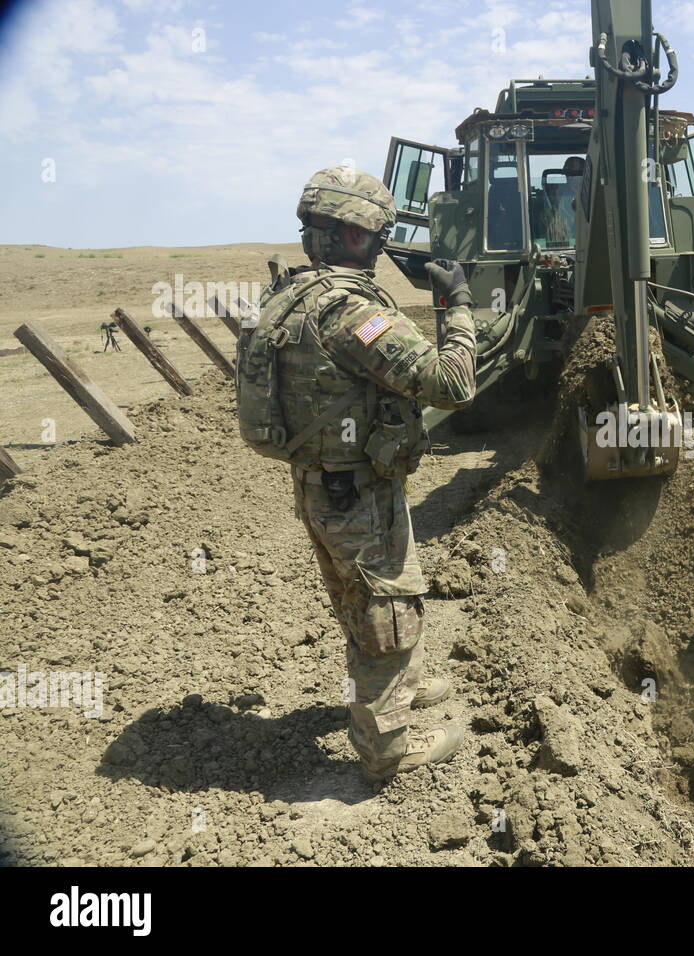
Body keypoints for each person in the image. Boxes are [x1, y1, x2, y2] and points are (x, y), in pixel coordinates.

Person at [236, 165, 478, 782]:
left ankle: (406, 689)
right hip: (359, 495)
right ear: (351, 236)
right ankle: (387, 750)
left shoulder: (291, 296)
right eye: (377, 235)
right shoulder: (349, 310)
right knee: (383, 619)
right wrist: (456, 306)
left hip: (324, 485)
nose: (379, 248)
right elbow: (451, 383)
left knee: (371, 597)